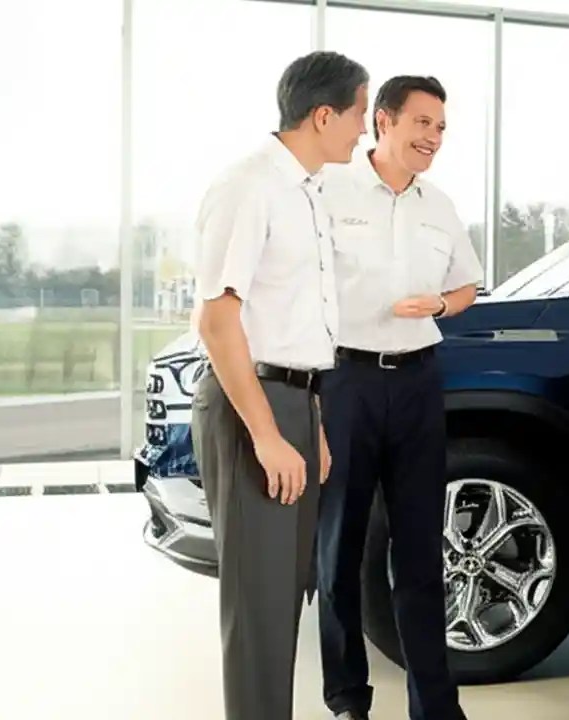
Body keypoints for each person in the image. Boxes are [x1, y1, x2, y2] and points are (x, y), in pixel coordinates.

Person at [190, 51, 369, 720]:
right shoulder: (250, 187)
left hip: (297, 404)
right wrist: (266, 434)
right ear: (324, 115)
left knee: (288, 594)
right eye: (358, 114)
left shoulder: (306, 192)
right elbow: (217, 319)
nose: (362, 130)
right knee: (259, 611)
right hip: (250, 410)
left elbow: (295, 325)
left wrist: (311, 424)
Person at [315, 74, 481, 720]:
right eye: (423, 123)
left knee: (419, 552)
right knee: (341, 548)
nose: (434, 138)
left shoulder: (438, 205)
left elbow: (466, 286)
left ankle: (436, 707)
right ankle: (348, 700)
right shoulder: (330, 193)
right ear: (383, 121)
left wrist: (440, 303)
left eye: (441, 128)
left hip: (416, 382)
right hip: (345, 381)